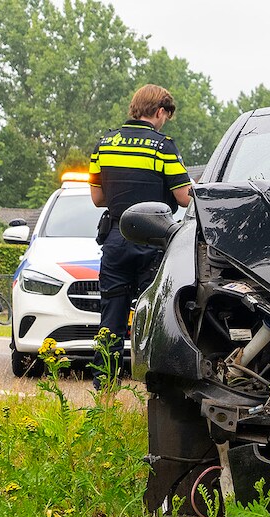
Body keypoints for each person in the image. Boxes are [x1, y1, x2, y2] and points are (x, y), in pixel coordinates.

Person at [88, 84, 192, 386]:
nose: (164, 123)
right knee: (155, 318)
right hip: (153, 240)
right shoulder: (162, 146)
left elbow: (97, 198)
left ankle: (104, 388)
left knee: (111, 318)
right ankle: (155, 389)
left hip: (116, 239)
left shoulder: (105, 144)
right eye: (165, 117)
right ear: (159, 111)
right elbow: (184, 197)